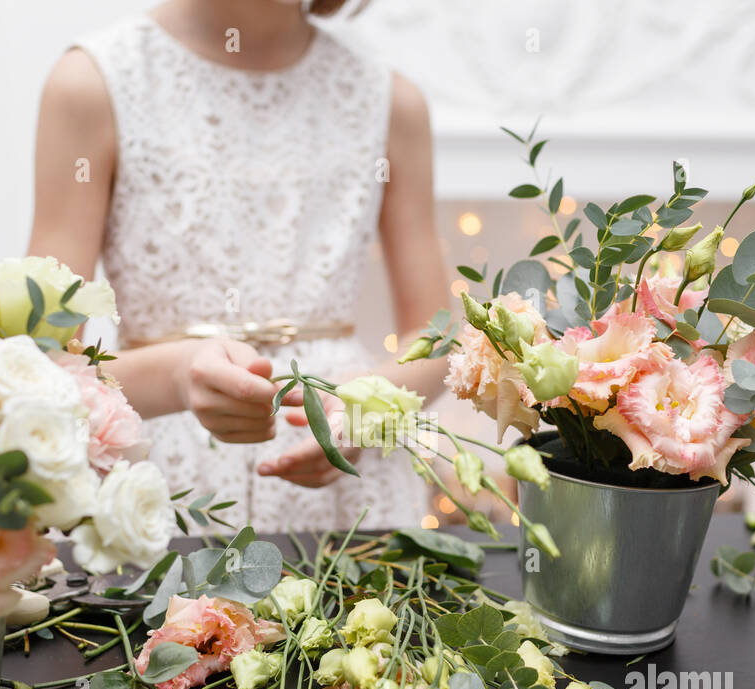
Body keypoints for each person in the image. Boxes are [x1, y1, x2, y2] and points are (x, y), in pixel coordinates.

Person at [25, 0, 450, 531]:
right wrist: (178, 378)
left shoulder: (389, 99)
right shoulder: (94, 83)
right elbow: (38, 364)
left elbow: (440, 339)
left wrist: (369, 406)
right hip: (166, 482)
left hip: (353, 490)